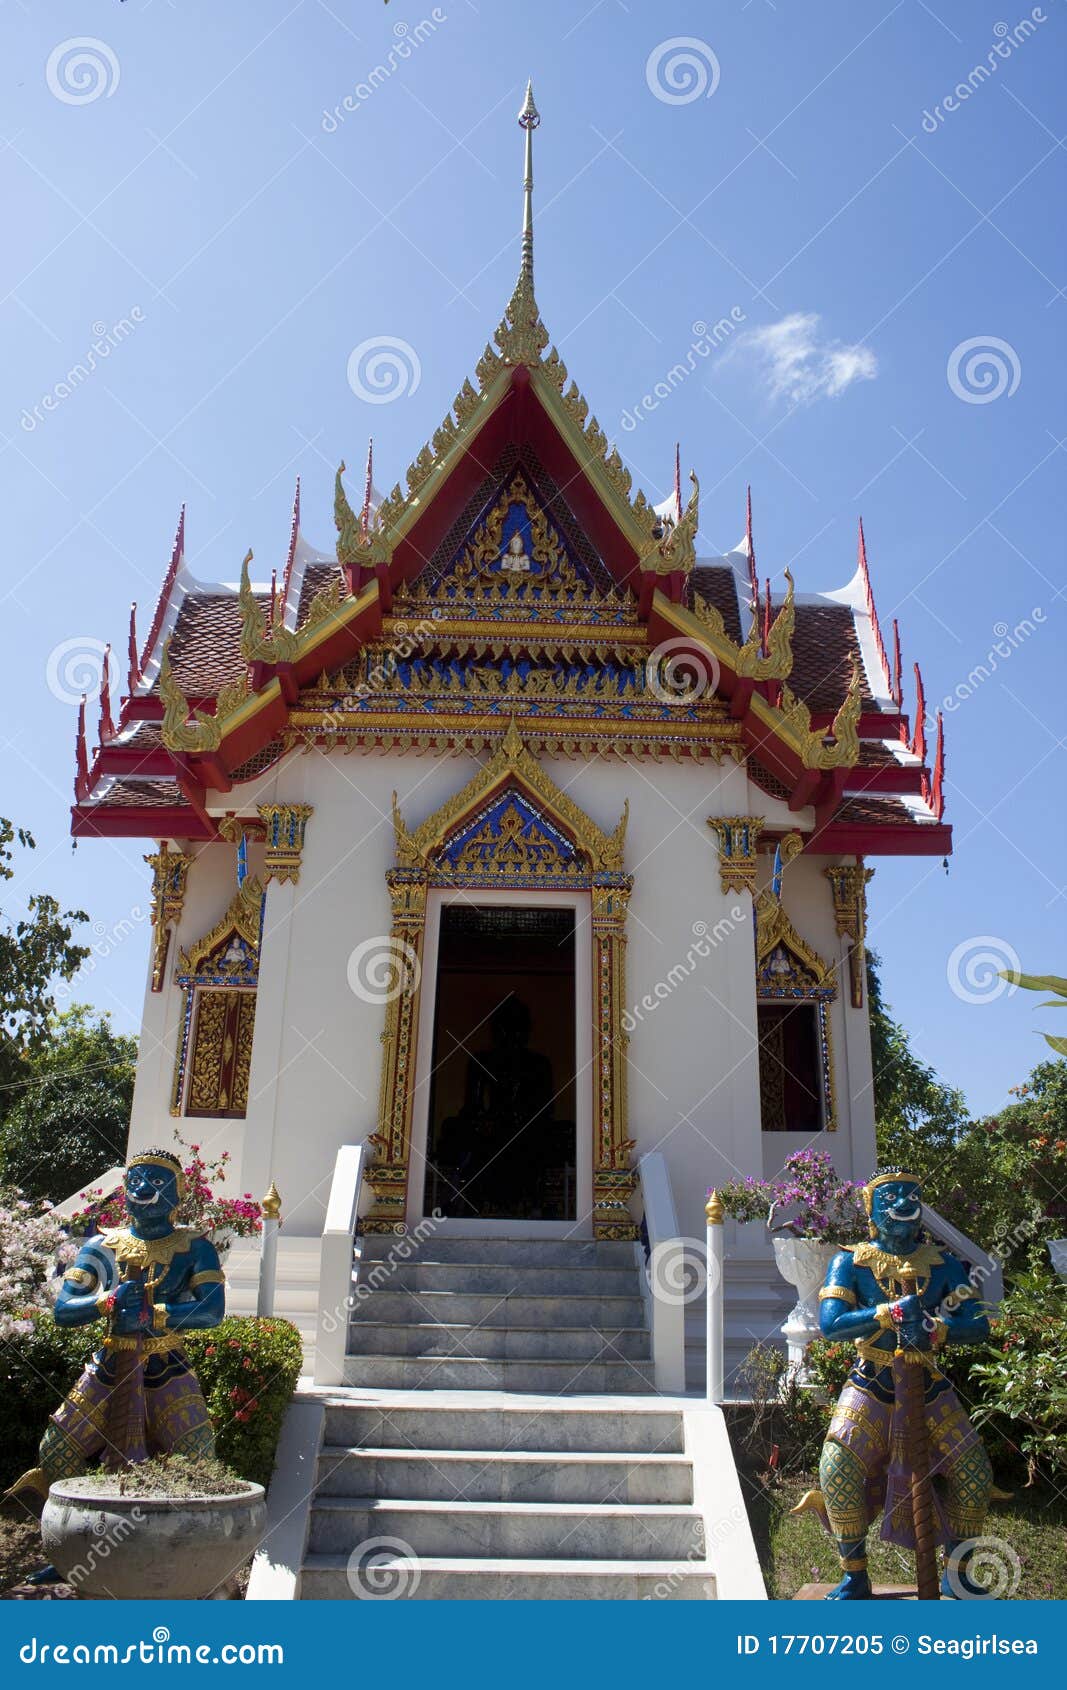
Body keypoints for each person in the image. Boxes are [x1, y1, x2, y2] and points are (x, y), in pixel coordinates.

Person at [794, 1168, 995, 1599]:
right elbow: (831, 1324)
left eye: (911, 1196)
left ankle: (957, 1574)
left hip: (927, 1380)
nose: (903, 1204)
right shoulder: (849, 1262)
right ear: (872, 1210)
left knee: (973, 1469)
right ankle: (854, 1573)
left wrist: (939, 1329)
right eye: (891, 1198)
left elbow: (977, 1324)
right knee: (838, 1464)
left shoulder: (941, 1264)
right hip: (873, 1379)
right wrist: (886, 1314)